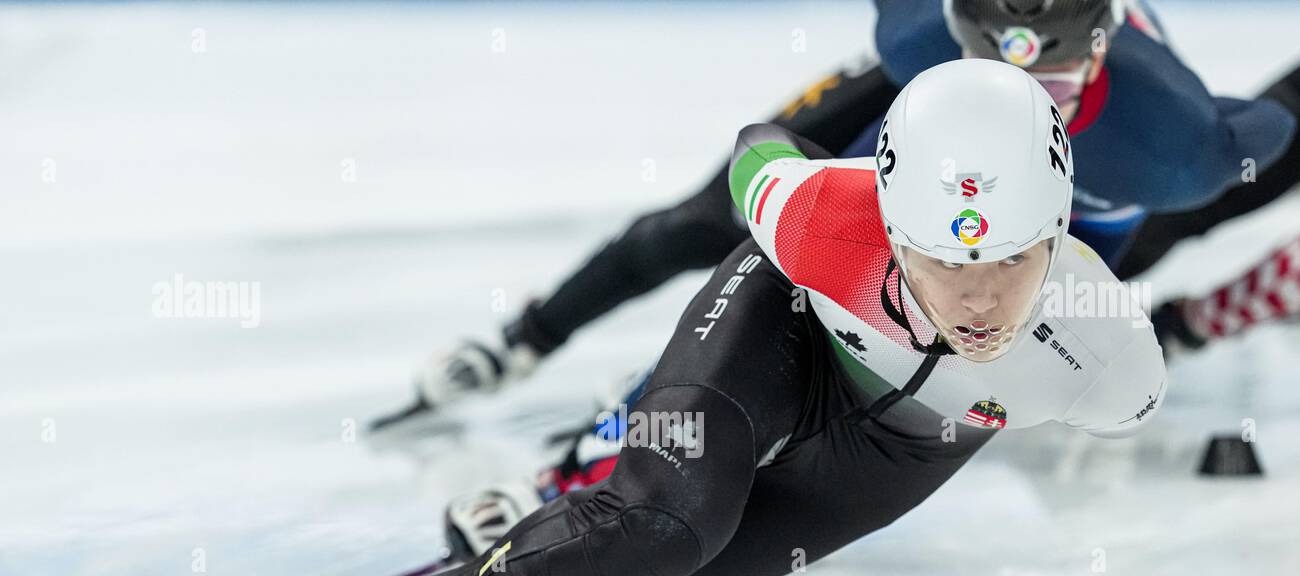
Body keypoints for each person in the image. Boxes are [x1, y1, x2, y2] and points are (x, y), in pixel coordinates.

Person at [71, 61, 1167, 576]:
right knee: (654, 523)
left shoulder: (1109, 359)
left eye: (1010, 262)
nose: (975, 303)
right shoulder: (820, 216)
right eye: (940, 260)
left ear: (1060, 230)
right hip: (781, 323)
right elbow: (756, 151)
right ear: (890, 223)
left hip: (902, 442)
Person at [370, 0, 1293, 430]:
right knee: (715, 222)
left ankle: (673, 406)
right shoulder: (915, 36)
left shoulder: (1177, 143)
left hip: (1106, 190)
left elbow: (1272, 133)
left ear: (1095, 56)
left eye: (1048, 83)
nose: (1022, 104)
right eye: (997, 74)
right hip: (911, 100)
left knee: (891, 322)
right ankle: (529, 335)